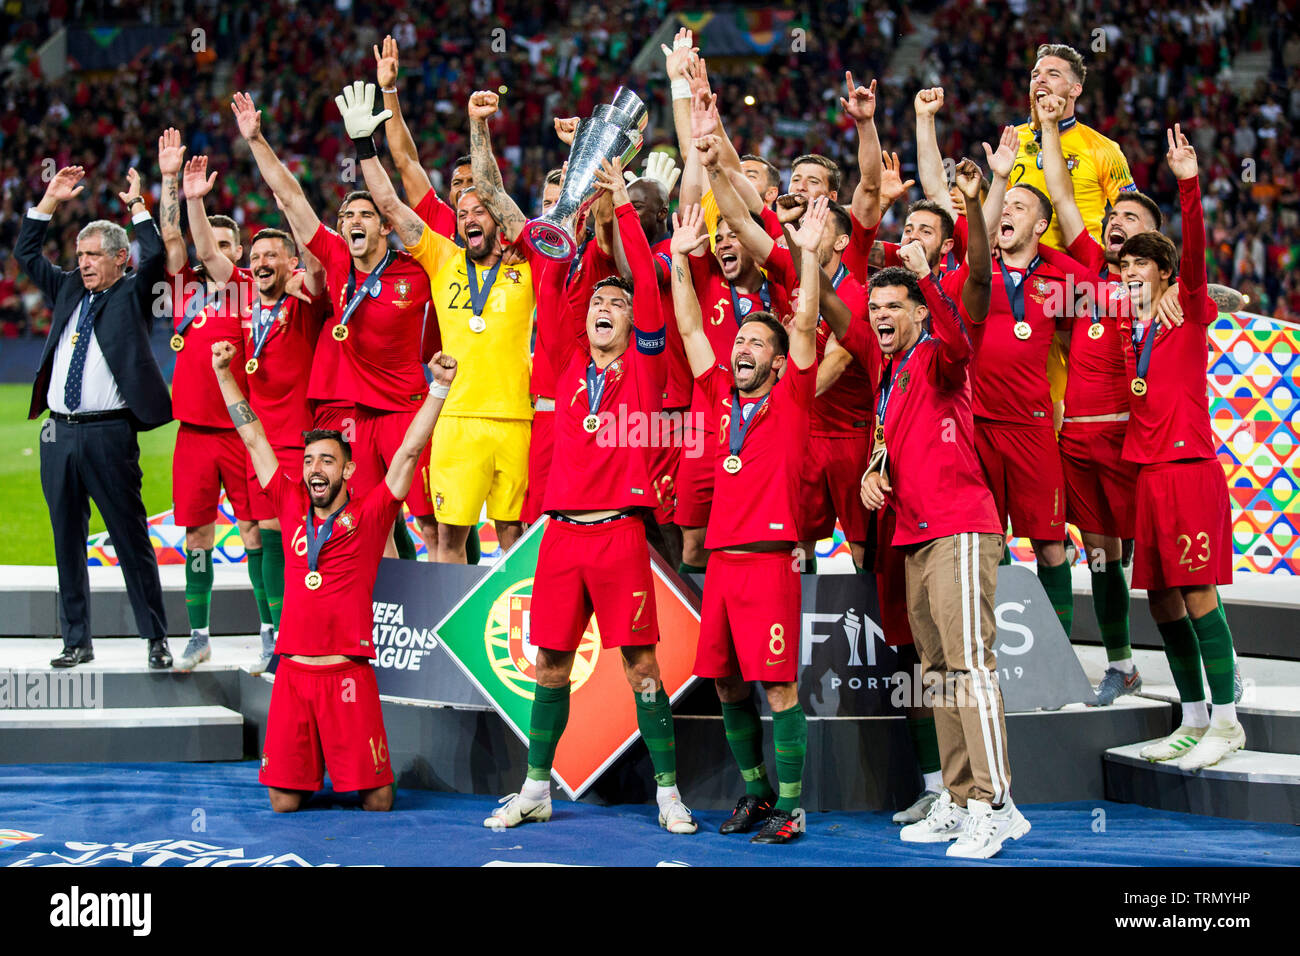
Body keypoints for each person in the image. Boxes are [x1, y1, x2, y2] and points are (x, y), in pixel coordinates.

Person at [483, 157, 696, 834]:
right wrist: (580, 201)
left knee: (641, 666)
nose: (604, 308)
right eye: (597, 303)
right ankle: (536, 787)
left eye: (616, 303)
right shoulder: (566, 361)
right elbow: (554, 280)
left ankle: (667, 793)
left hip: (619, 535)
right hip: (563, 538)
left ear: (633, 319)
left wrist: (622, 207)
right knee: (548, 665)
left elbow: (652, 297)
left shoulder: (644, 364)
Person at [212, 339, 458, 812]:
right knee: (282, 803)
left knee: (379, 801)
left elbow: (408, 451)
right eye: (308, 461)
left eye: (326, 460)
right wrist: (225, 374)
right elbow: (254, 438)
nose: (314, 469)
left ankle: (339, 767)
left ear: (348, 469)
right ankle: (308, 770)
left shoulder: (372, 513)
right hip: (294, 676)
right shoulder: (289, 503)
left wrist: (439, 388)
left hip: (349, 673)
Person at [857, 246, 1028, 860]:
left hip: (959, 527)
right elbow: (893, 445)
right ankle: (958, 800)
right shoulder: (892, 373)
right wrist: (870, 476)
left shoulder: (936, 354)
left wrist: (929, 279)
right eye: (874, 306)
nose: (879, 315)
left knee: (970, 670)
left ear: (919, 313)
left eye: (892, 307)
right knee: (938, 678)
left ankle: (997, 804)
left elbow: (960, 339)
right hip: (913, 534)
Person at [670, 196, 826, 844]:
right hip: (722, 565)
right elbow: (688, 332)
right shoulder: (716, 395)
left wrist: (809, 254)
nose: (742, 349)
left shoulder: (791, 396)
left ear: (778, 359)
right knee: (729, 687)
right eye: (741, 339)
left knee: (779, 688)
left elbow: (810, 319)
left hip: (769, 561)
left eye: (758, 342)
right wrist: (681, 262)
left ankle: (793, 806)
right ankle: (758, 793)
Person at [232, 90, 438, 563]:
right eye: (347, 216)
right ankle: (388, 620)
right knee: (368, 517)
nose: (354, 221)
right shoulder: (335, 257)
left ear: (385, 226)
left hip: (405, 405)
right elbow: (290, 197)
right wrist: (258, 140)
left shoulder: (415, 267)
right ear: (341, 229)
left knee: (432, 520)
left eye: (366, 214)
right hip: (351, 411)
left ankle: (446, 616)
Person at [340, 84, 539, 562]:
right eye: (462, 212)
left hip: (516, 417)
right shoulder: (443, 257)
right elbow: (391, 207)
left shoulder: (526, 260)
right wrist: (365, 147)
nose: (469, 217)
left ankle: (515, 634)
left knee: (513, 534)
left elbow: (493, 189)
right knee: (449, 536)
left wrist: (478, 125)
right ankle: (450, 636)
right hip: (454, 420)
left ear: (498, 220)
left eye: (479, 212)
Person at [1123, 126, 1246, 771]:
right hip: (1147, 474)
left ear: (1166, 274)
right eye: (1124, 267)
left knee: (1197, 592)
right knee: (1162, 599)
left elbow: (1195, 257)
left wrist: (1188, 183)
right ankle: (1192, 718)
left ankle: (1228, 721)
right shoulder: (1127, 327)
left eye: (1141, 265)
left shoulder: (1187, 309)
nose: (1129, 274)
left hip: (1189, 467)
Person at [18, 164, 172, 669]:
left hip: (109, 433)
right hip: (58, 435)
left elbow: (158, 259)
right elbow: (24, 253)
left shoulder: (133, 293)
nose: (82, 263)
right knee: (67, 540)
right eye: (79, 254)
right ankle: (77, 641)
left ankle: (156, 639)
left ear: (119, 259)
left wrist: (137, 207)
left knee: (130, 537)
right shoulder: (66, 289)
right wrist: (48, 201)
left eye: (93, 255)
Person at [156, 131, 268, 672]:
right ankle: (198, 635)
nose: (215, 254)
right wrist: (169, 181)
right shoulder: (184, 290)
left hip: (247, 437)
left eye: (226, 246)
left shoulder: (253, 294)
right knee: (198, 534)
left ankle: (271, 632)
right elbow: (174, 236)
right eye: (212, 247)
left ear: (239, 251)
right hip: (195, 435)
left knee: (255, 533)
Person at [1012, 43, 1135, 252]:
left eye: (1053, 74)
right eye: (1035, 75)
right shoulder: (1014, 137)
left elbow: (1133, 212)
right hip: (1018, 269)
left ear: (1075, 89)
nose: (1040, 79)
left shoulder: (1104, 149)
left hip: (1076, 273)